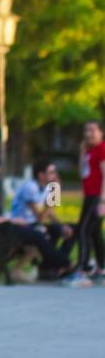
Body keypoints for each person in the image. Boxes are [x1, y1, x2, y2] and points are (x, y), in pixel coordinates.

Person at [0, 160, 70, 280]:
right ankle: (67, 266)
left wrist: (54, 193)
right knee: (40, 235)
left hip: (4, 229)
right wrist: (12, 220)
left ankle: (53, 268)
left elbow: (48, 213)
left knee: (57, 230)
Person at [66, 120, 105, 287]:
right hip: (89, 196)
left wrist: (103, 201)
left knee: (83, 230)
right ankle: (102, 269)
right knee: (95, 233)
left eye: (92, 130)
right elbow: (83, 173)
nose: (88, 133)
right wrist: (82, 152)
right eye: (86, 130)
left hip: (98, 196)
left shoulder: (103, 149)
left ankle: (81, 271)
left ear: (101, 132)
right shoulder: (90, 151)